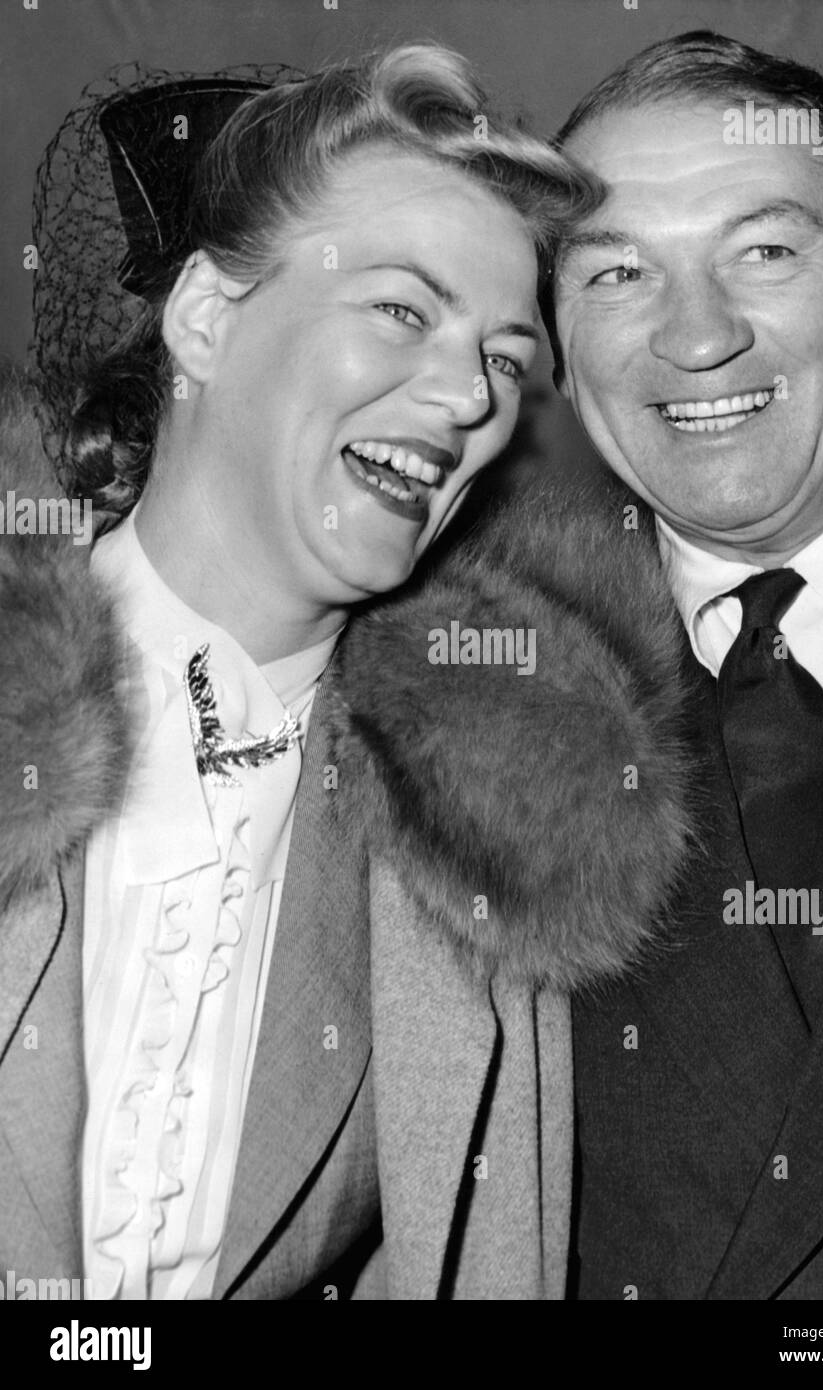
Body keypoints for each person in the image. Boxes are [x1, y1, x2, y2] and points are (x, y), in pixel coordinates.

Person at [0, 45, 691, 1300]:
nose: (462, 400)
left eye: (500, 358)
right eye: (402, 311)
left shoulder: (474, 838)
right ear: (207, 318)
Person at [547, 30, 823, 1299]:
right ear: (554, 352)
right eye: (617, 274)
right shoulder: (464, 681)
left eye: (764, 252)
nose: (696, 337)